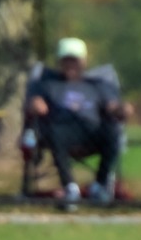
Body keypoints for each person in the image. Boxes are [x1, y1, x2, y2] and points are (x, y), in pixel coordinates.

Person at [26, 37, 130, 205]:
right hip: (61, 130)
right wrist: (35, 105)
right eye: (66, 60)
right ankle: (69, 187)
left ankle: (100, 185)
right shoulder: (47, 84)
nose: (70, 65)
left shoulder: (98, 84)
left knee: (113, 132)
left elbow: (112, 106)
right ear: (59, 61)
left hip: (92, 131)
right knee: (55, 131)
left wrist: (121, 110)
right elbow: (33, 103)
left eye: (74, 60)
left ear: (83, 61)